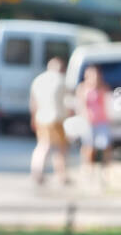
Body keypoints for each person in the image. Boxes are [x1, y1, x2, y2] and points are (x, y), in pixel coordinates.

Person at [28, 57, 69, 185]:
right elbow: (68, 103)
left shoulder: (38, 80)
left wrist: (33, 118)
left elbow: (33, 103)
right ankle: (61, 174)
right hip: (57, 118)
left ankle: (37, 172)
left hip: (41, 117)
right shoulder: (61, 81)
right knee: (59, 148)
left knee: (43, 145)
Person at [76, 65, 112, 180]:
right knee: (89, 147)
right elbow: (81, 105)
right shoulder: (82, 88)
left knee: (105, 145)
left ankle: (105, 170)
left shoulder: (103, 87)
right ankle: (88, 168)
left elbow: (108, 103)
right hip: (88, 122)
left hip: (102, 121)